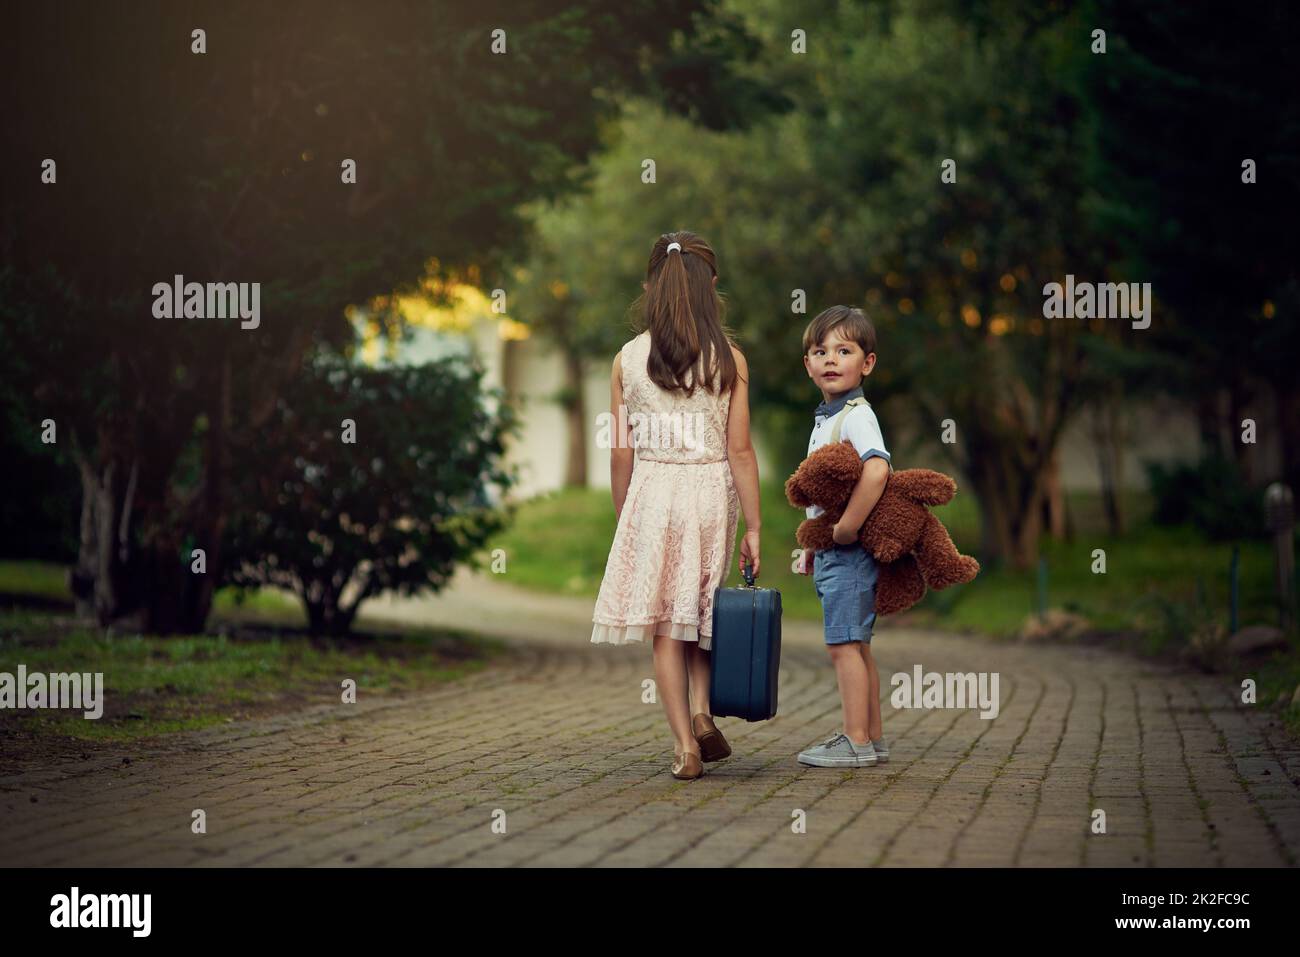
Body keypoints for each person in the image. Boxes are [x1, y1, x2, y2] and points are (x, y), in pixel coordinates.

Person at [590, 230, 762, 781]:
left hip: (655, 492)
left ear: (649, 286)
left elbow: (621, 450)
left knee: (667, 624)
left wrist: (627, 513)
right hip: (710, 490)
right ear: (711, 288)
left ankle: (685, 747)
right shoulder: (729, 359)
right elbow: (740, 449)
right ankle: (704, 711)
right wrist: (755, 526)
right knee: (703, 613)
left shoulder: (626, 359)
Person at [792, 305, 892, 768]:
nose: (831, 359)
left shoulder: (856, 414)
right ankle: (871, 737)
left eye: (844, 350)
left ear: (866, 363)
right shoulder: (826, 418)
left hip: (849, 551)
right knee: (858, 644)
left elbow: (877, 469)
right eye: (820, 351)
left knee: (842, 646)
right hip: (833, 551)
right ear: (809, 364)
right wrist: (815, 544)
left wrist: (846, 528)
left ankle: (854, 742)